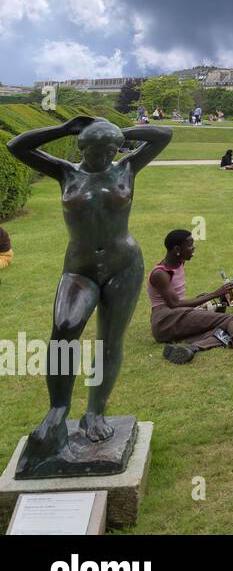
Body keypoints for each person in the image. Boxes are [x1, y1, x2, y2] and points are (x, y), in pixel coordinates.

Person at [5, 115, 170, 455]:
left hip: (124, 264)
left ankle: (95, 411)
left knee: (109, 341)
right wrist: (65, 129)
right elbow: (17, 145)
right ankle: (58, 408)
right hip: (79, 269)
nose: (106, 157)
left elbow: (162, 134)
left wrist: (115, 131)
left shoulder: (126, 168)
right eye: (98, 150)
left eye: (112, 149)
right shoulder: (66, 172)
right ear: (84, 148)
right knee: (64, 329)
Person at [149, 229, 233, 363]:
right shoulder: (160, 273)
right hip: (166, 319)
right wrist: (215, 294)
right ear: (177, 249)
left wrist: (202, 300)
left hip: (171, 320)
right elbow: (174, 304)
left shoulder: (178, 262)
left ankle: (191, 350)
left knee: (222, 330)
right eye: (189, 245)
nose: (193, 247)